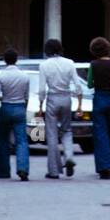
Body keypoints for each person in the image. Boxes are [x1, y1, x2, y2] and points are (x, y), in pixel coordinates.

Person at [38, 39, 84, 179]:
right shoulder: (69, 63)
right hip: (66, 98)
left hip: (52, 98)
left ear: (47, 50)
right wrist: (79, 105)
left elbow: (41, 89)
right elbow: (78, 86)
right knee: (67, 130)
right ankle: (69, 156)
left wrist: (40, 105)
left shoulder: (44, 65)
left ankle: (53, 171)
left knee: (51, 134)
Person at [86, 37, 110, 180]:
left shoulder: (93, 64)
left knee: (99, 134)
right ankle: (106, 163)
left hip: (99, 99)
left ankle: (105, 166)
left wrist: (95, 82)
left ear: (94, 50)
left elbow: (89, 84)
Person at [0, 48, 31, 181]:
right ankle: (23, 169)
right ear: (16, 60)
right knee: (21, 140)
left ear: (5, 60)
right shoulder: (24, 76)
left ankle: (3, 171)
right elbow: (27, 96)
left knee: (3, 140)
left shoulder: (0, 76)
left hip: (5, 106)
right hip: (20, 107)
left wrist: (5, 97)